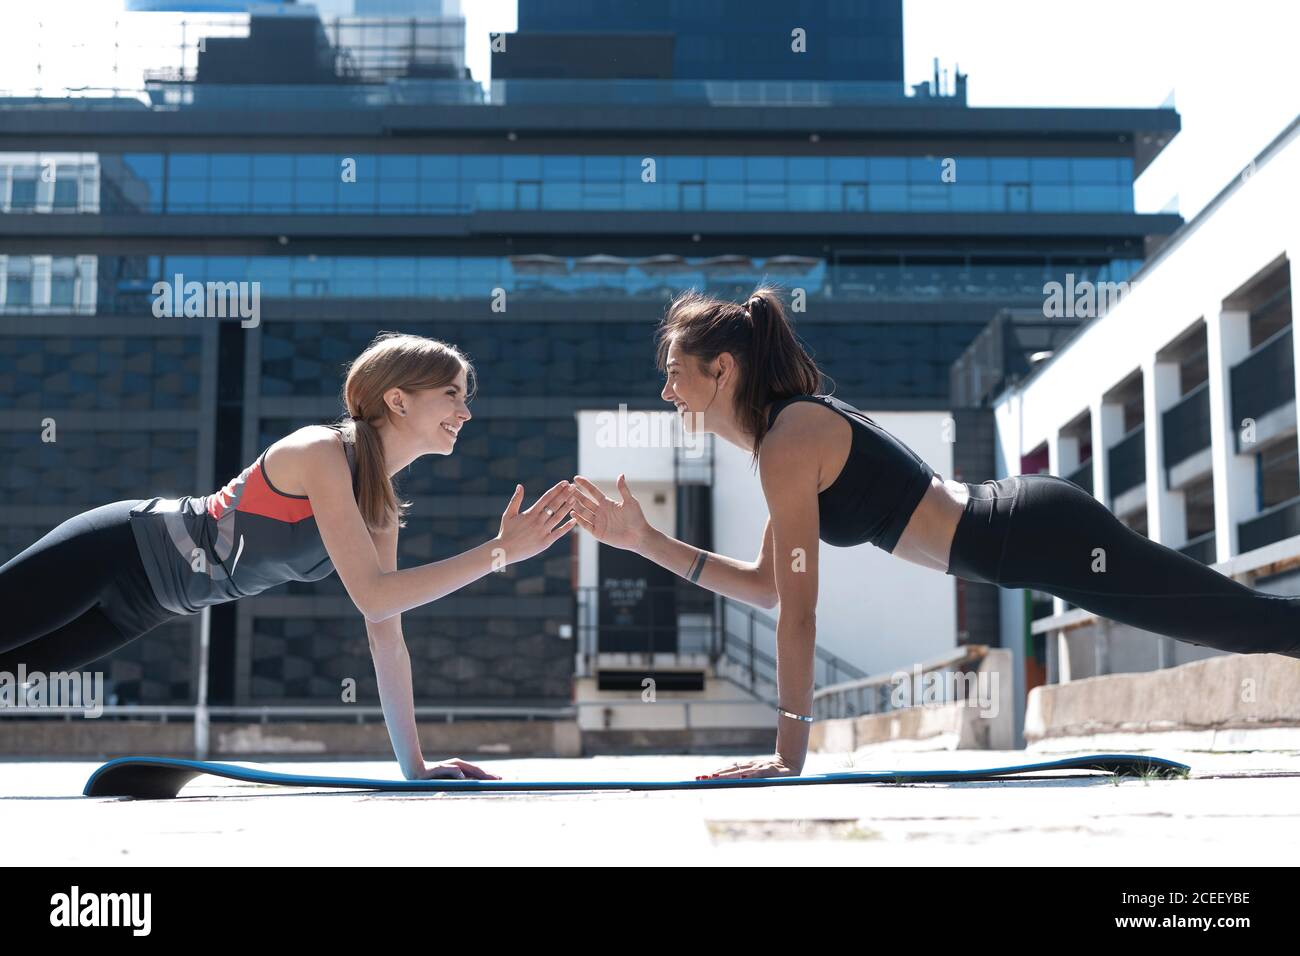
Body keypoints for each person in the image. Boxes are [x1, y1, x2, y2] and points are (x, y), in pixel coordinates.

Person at [567, 286, 1300, 781]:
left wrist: (788, 754)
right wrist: (645, 542)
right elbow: (767, 587)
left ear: (720, 368)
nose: (666, 392)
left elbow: (800, 612)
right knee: (1218, 615)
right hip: (1025, 533)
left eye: (674, 373)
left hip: (1031, 531)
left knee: (1222, 619)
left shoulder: (790, 441)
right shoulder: (781, 443)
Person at [0, 332, 577, 781]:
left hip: (148, 605)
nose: (465, 412)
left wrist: (415, 768)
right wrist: (502, 551)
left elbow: (385, 632)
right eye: (452, 394)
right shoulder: (321, 452)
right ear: (398, 399)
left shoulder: (378, 505)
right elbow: (373, 593)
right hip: (117, 550)